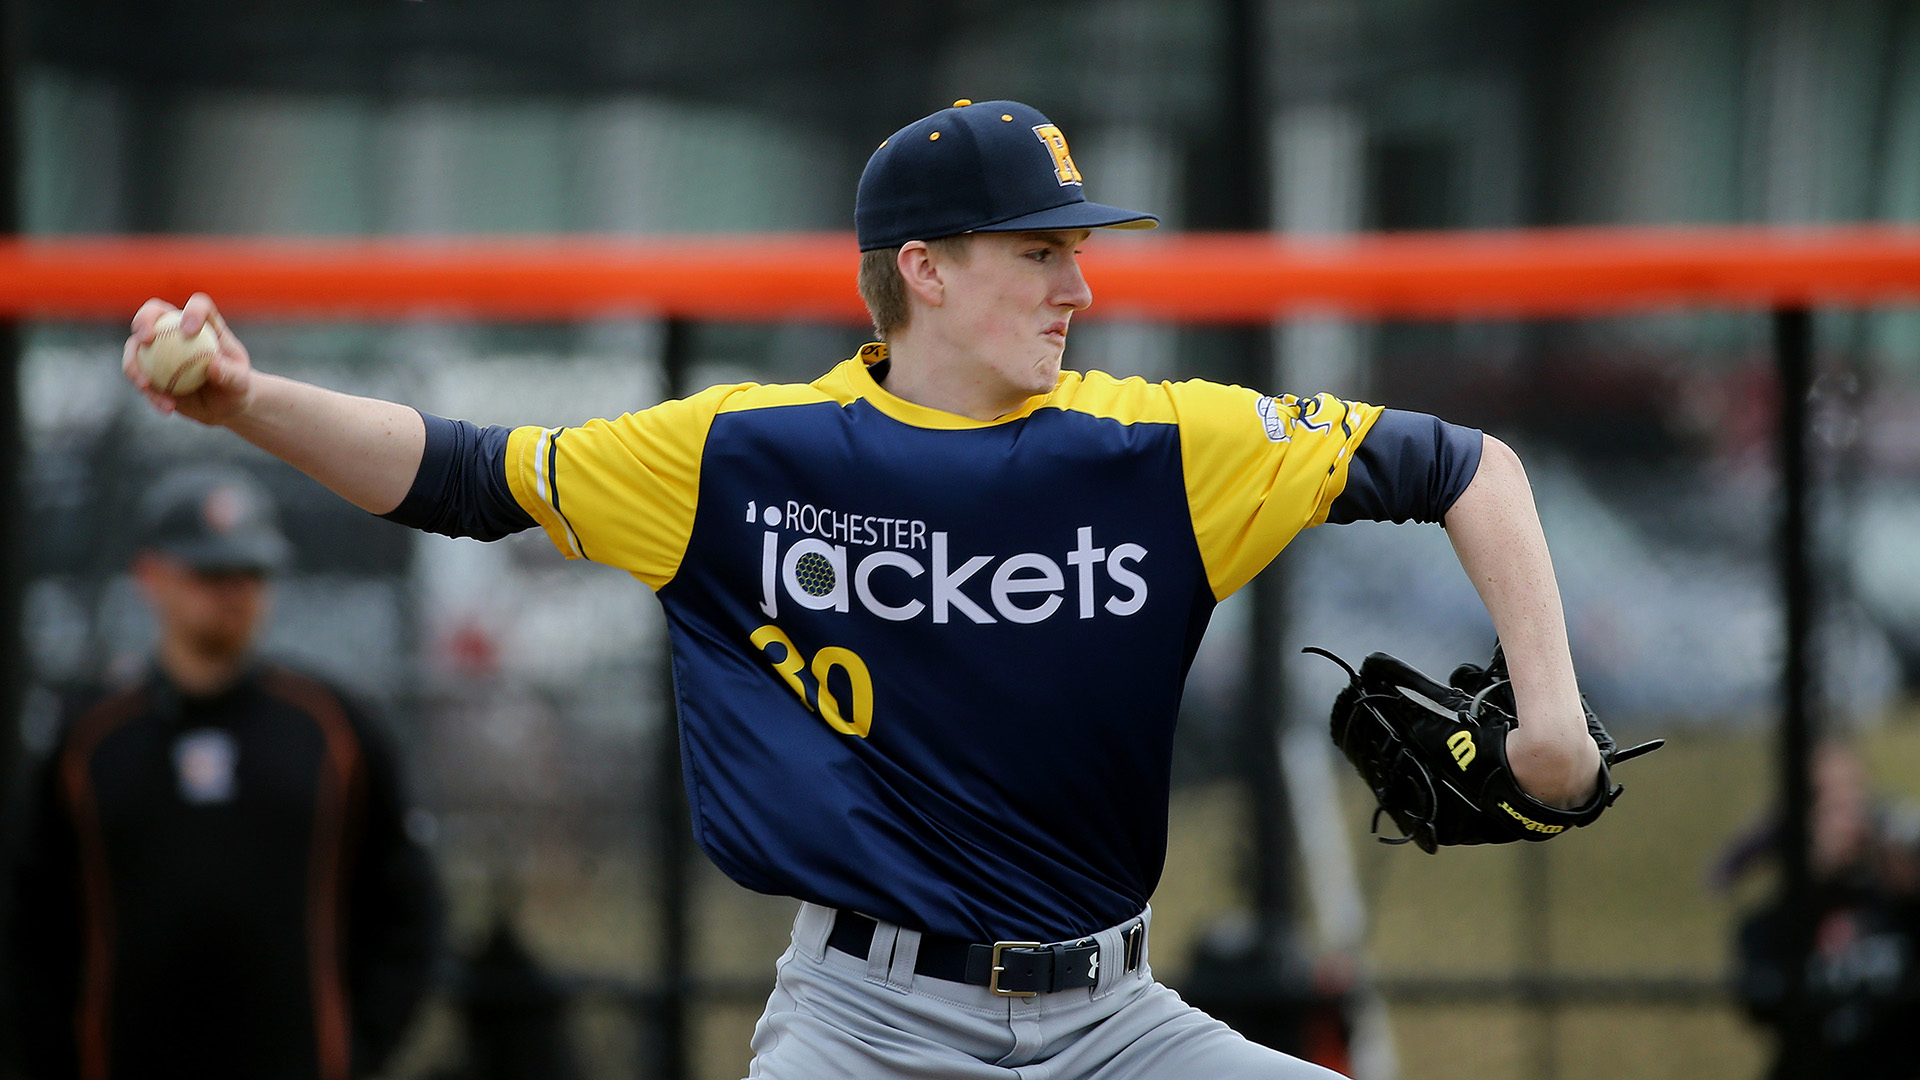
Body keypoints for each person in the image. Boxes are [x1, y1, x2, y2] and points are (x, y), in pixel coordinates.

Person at [118, 99, 1605, 1078]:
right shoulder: (740, 458)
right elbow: (457, 472)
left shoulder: (1167, 448)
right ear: (927, 273)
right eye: (1040, 252)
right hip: (866, 1019)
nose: (1079, 289)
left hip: (1117, 1024)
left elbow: (1473, 468)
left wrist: (1550, 722)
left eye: (1077, 251)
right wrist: (246, 399)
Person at [5, 467, 443, 1080]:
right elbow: (30, 923)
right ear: (150, 575)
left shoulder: (333, 729)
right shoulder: (89, 739)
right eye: (210, 573)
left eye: (252, 572)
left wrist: (354, 1048)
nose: (234, 592)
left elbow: (407, 911)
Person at [1718, 741, 1920, 1080]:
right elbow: (1762, 1004)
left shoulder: (1897, 908)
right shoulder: (1776, 921)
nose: (1848, 823)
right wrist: (1809, 886)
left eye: (1855, 804)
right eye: (1831, 808)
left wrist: (1907, 891)